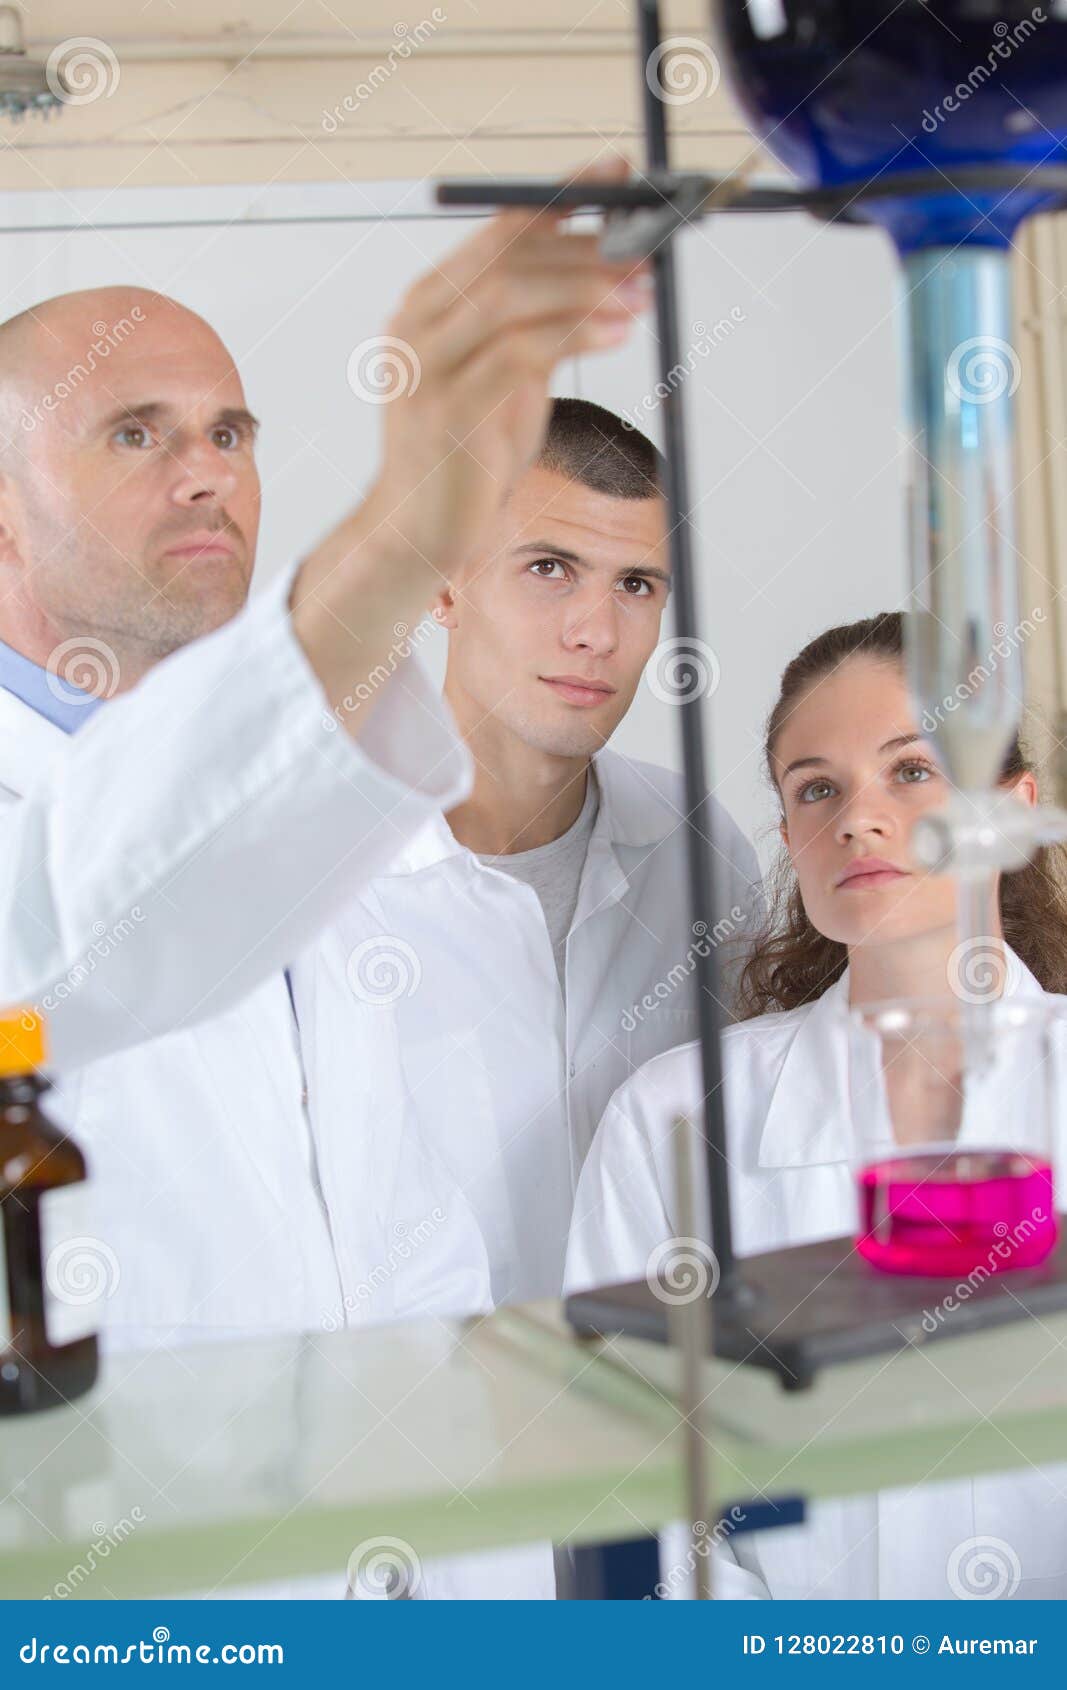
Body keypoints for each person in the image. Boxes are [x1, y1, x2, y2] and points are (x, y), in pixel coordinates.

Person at [0, 169, 653, 1597]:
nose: (207, 471)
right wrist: (401, 530)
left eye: (228, 431)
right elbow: (82, 924)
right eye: (136, 431)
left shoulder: (330, 798)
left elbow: (390, 1234)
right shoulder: (100, 820)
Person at [566, 611, 1067, 1600]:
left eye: (910, 770)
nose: (856, 818)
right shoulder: (676, 1116)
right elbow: (627, 1470)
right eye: (816, 788)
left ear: (1011, 809)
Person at [292, 396, 760, 1320]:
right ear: (441, 584)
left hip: (673, 1415)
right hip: (418, 1432)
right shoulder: (323, 875)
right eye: (549, 568)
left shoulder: (695, 846)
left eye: (637, 584)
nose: (595, 633)